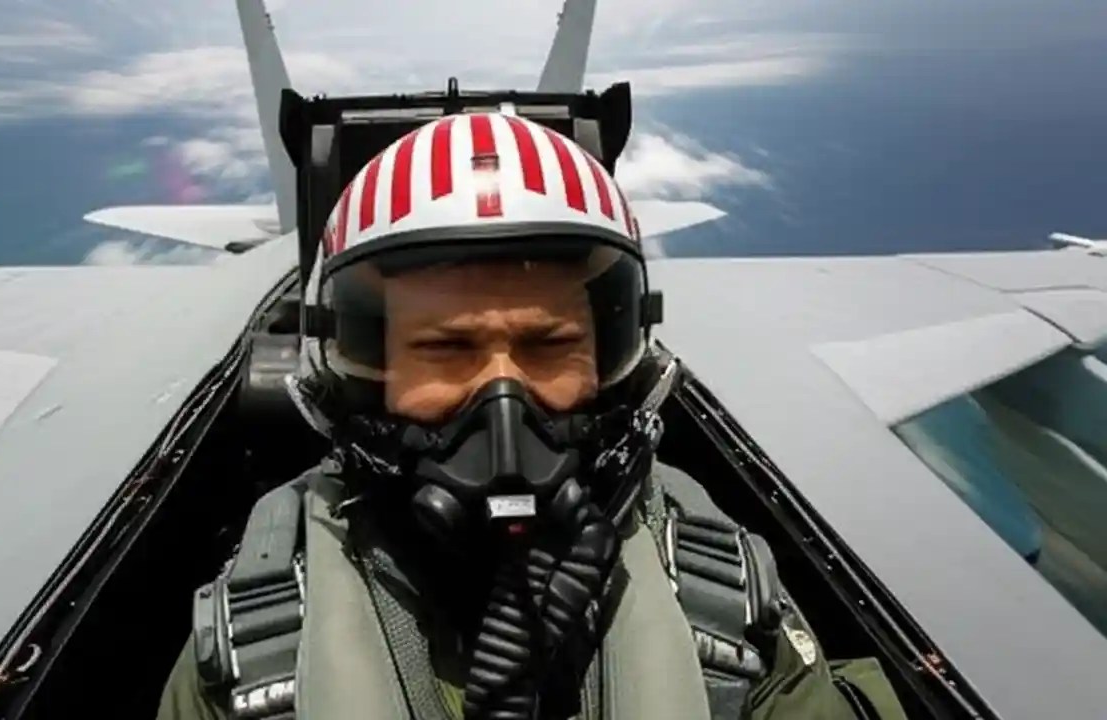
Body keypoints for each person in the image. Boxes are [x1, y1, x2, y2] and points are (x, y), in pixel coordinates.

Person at [156, 111, 908, 719]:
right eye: (446, 348)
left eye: (550, 345)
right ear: (362, 378)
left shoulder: (729, 613)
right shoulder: (252, 654)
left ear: (616, 360)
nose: (502, 402)